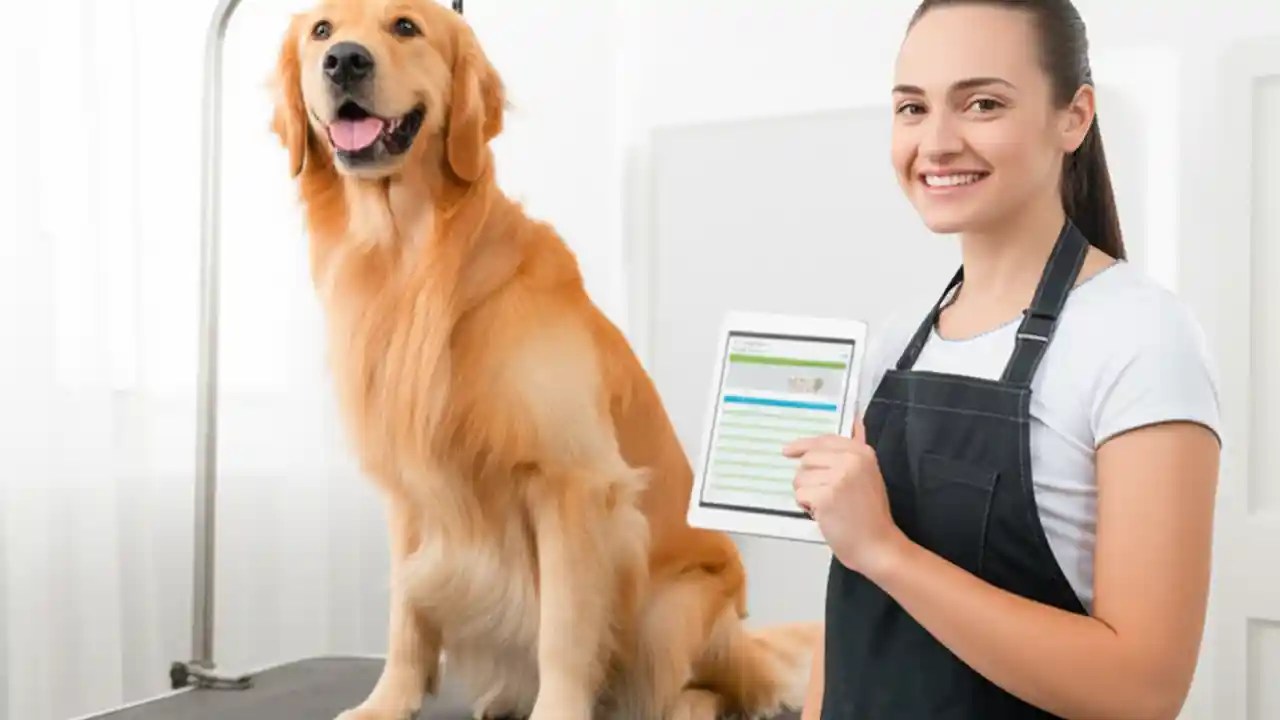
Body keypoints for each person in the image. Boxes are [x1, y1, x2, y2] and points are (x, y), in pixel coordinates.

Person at [785, 1, 1223, 718]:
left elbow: (1143, 690)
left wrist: (885, 551)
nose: (937, 141)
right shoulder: (896, 343)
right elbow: (852, 625)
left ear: (1073, 117)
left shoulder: (1140, 338)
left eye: (982, 103)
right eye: (912, 108)